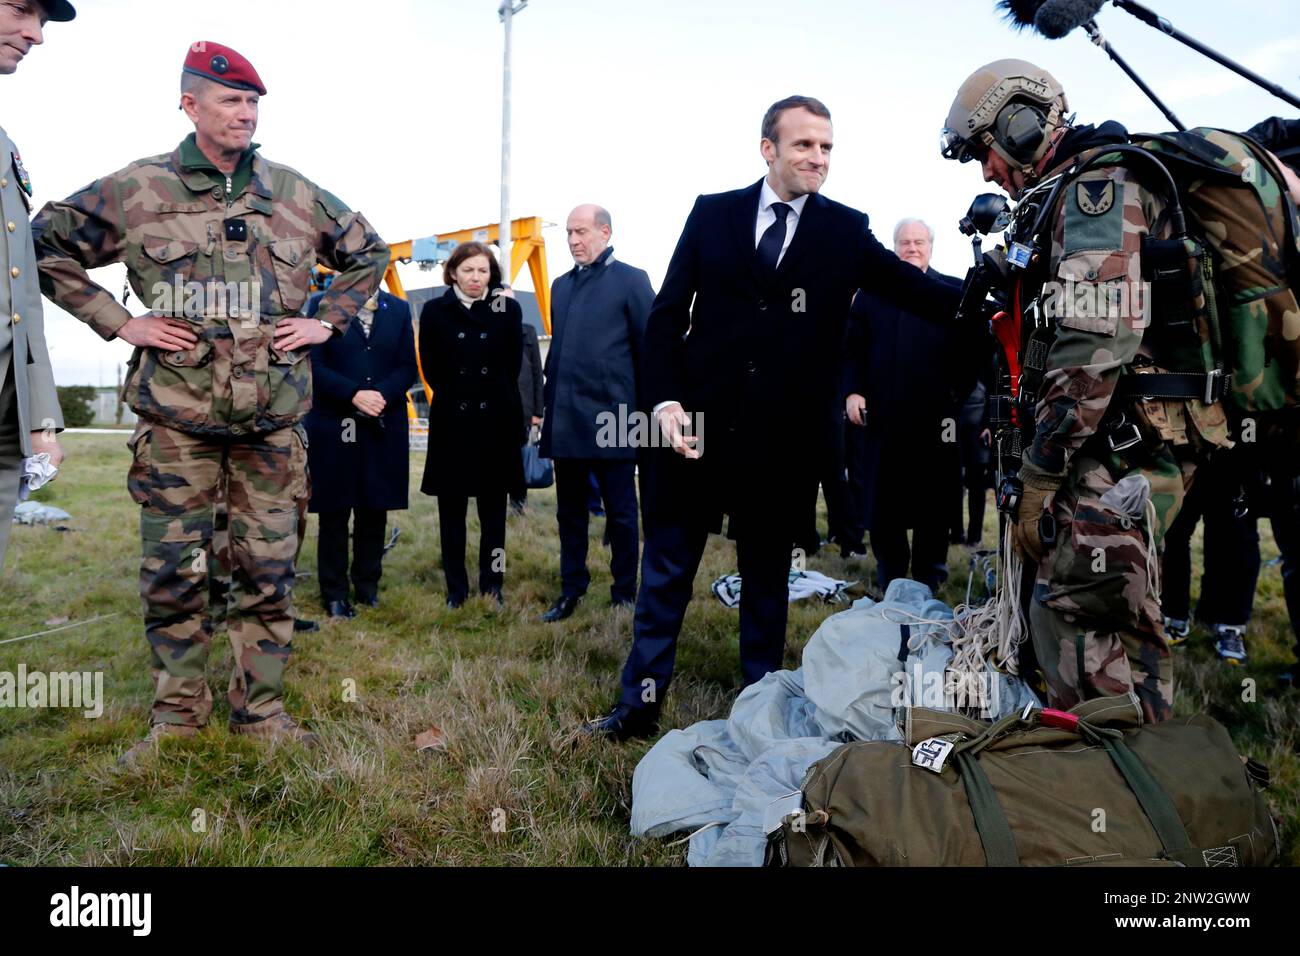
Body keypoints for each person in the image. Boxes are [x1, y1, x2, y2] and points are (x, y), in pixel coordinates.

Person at [32, 41, 388, 762]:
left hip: (271, 425)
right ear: (190, 104)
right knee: (173, 577)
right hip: (176, 426)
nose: (246, 114)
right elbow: (42, 243)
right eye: (230, 101)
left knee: (268, 573)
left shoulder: (293, 192)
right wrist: (117, 319)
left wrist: (328, 320)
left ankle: (260, 714)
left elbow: (370, 252)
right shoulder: (138, 188)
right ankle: (177, 720)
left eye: (254, 102)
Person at [583, 95, 961, 741]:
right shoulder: (712, 215)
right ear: (768, 150)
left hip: (780, 441)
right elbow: (668, 316)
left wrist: (997, 291)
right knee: (666, 572)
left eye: (827, 148)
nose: (818, 158)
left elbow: (916, 291)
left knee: (766, 582)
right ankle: (637, 708)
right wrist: (667, 402)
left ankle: (756, 711)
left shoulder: (844, 230)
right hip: (692, 429)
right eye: (805, 145)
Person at [941, 59, 1244, 722]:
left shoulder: (1099, 189)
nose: (988, 172)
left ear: (1019, 126)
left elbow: (1094, 342)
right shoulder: (1070, 193)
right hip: (1111, 437)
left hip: (1122, 443)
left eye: (986, 153)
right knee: (1122, 611)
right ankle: (1154, 769)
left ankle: (1103, 779)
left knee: (1077, 610)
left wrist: (1042, 470)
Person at [539, 205, 654, 623]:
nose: (573, 240)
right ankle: (572, 590)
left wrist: (647, 423)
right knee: (569, 512)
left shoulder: (632, 281)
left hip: (616, 420)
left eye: (581, 232)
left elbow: (650, 352)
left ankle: (625, 592)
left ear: (604, 232)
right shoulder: (559, 287)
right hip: (567, 417)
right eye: (569, 233)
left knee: (622, 513)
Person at [844, 218, 966, 592]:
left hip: (938, 423)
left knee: (935, 502)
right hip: (884, 418)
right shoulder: (870, 295)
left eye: (919, 242)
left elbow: (976, 354)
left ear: (931, 246)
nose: (912, 248)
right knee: (884, 504)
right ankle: (891, 575)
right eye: (904, 243)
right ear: (894, 247)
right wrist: (853, 391)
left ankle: (931, 576)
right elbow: (852, 350)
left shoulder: (954, 292)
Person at [0, 0, 74, 573]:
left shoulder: (4, 145)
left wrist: (40, 419)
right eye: (20, 9)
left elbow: (20, 295)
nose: (36, 35)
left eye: (41, 20)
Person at [418, 242, 523, 608]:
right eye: (468, 270)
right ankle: (456, 589)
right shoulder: (433, 311)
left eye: (482, 270)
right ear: (453, 273)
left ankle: (493, 586)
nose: (476, 277)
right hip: (453, 424)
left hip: (495, 424)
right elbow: (430, 368)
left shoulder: (507, 310)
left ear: (491, 274)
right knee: (452, 513)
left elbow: (512, 367)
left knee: (495, 515)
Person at [304, 289, 417, 619]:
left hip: (382, 421)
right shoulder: (322, 304)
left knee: (374, 508)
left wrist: (379, 395)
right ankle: (335, 593)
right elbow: (314, 363)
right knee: (335, 512)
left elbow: (407, 364)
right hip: (335, 421)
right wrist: (353, 394)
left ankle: (367, 587)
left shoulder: (397, 308)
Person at [510, 318, 544, 515]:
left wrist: (537, 411)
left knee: (520, 457)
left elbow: (537, 372)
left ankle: (518, 503)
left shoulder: (528, 332)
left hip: (522, 409)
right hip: (496, 408)